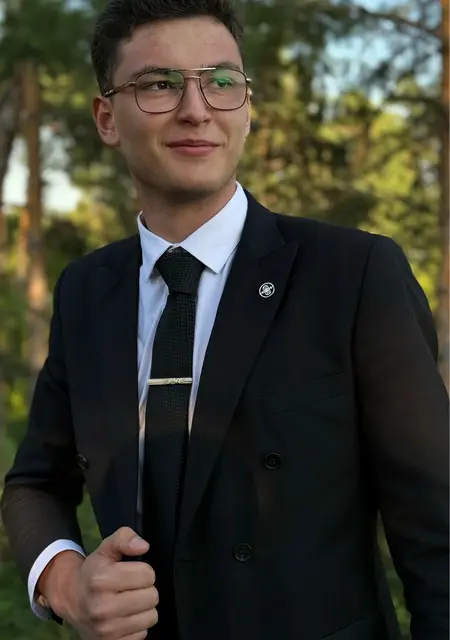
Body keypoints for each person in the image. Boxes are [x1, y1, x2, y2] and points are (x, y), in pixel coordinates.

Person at [1, 0, 448, 638]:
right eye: (158, 84)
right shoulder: (86, 290)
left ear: (247, 107)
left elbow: (438, 536)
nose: (196, 108)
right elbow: (35, 483)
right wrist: (66, 582)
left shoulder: (352, 275)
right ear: (106, 117)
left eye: (221, 80)